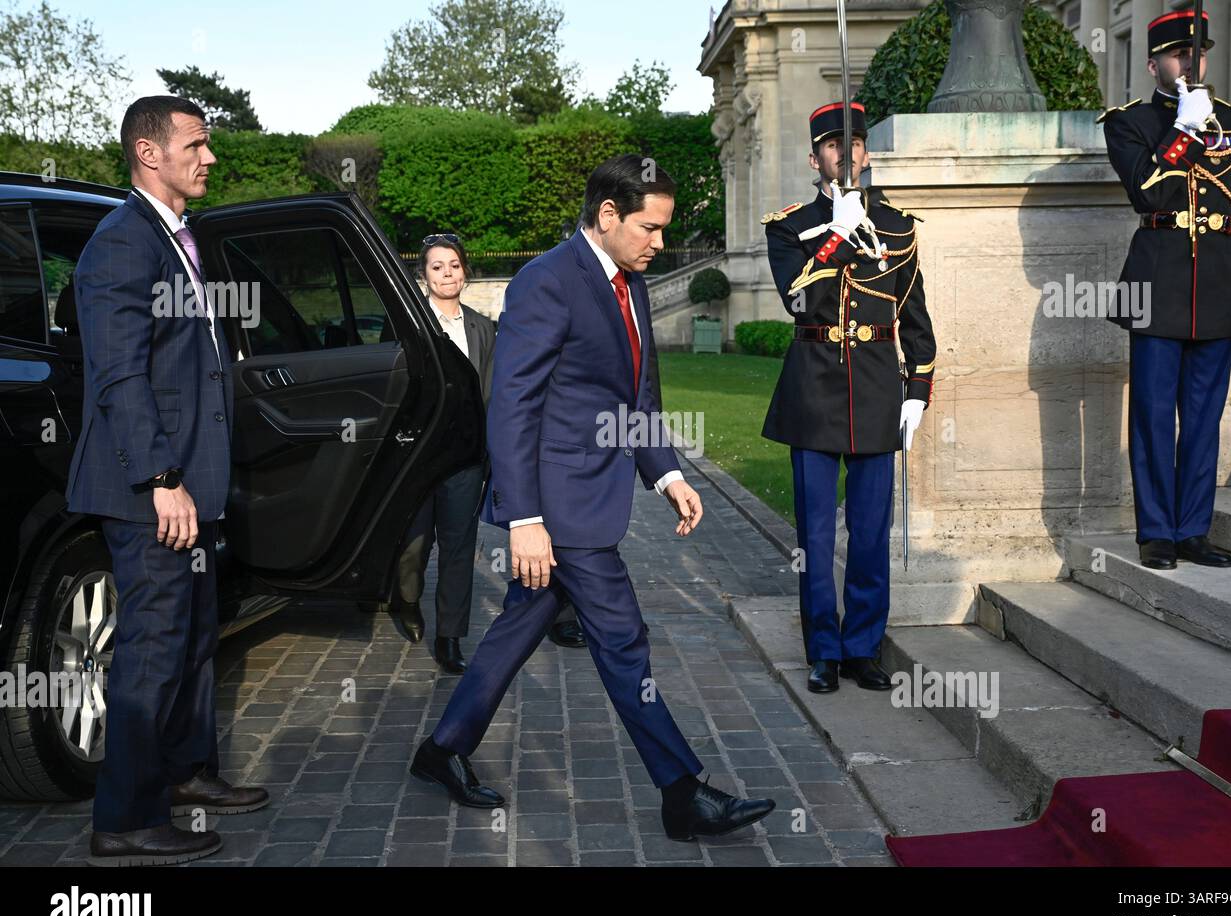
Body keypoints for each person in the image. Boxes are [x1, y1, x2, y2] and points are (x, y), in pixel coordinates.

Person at [409, 155, 776, 841]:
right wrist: (524, 518)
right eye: (650, 227)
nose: (660, 243)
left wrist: (668, 475)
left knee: (518, 629)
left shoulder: (629, 280)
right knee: (622, 639)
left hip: (586, 498)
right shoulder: (547, 282)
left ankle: (442, 749)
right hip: (557, 506)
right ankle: (681, 791)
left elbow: (636, 397)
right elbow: (513, 406)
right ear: (607, 215)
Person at [65, 96, 268, 866]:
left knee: (188, 640)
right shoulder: (122, 243)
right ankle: (123, 818)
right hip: (150, 491)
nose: (209, 156)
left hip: (191, 487)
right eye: (197, 143)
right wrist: (161, 477)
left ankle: (186, 772)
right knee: (151, 650)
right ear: (149, 153)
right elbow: (119, 376)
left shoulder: (177, 237)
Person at [760, 101, 937, 694]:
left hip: (878, 389)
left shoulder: (899, 226)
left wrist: (916, 392)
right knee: (813, 533)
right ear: (816, 159)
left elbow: (914, 318)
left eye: (855, 143)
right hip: (814, 387)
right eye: (833, 145)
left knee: (869, 530)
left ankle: (863, 647)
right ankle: (823, 650)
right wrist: (835, 235)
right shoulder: (789, 226)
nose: (846, 152)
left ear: (866, 152)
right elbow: (798, 298)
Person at [1100, 9, 1231, 571]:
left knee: (1202, 416)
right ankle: (1157, 533)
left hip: (1217, 281)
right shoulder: (1129, 123)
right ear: (1154, 65)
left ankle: (1193, 530)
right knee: (1151, 412)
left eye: (1198, 52)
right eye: (1179, 54)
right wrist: (1185, 132)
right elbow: (1148, 193)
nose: (1192, 61)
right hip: (1156, 281)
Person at [388, 235, 587, 666]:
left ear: (465, 272)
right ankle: (403, 599)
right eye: (437, 267)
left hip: (464, 460)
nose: (447, 274)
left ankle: (450, 639)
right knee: (414, 546)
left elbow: (498, 394)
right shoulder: (408, 324)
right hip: (417, 461)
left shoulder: (483, 327)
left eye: (454, 265)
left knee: (459, 548)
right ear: (423, 276)